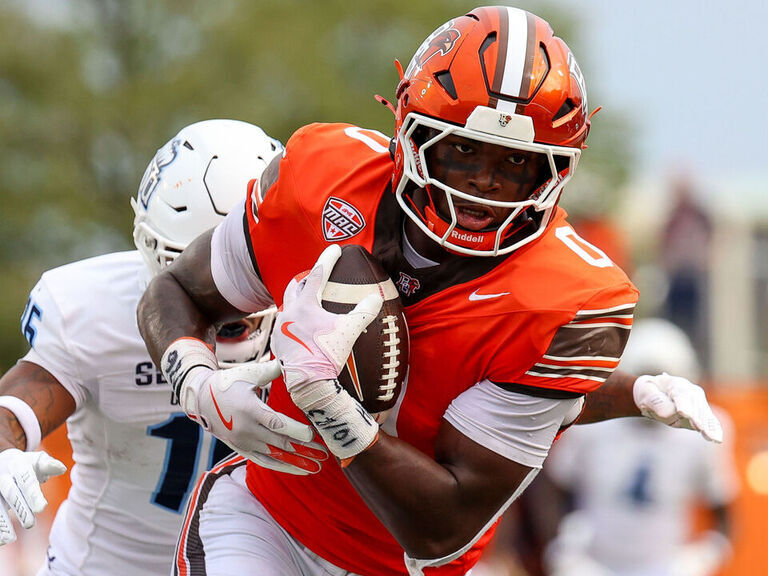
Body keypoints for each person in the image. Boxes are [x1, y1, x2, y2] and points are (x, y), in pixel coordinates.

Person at [137, 7, 723, 576]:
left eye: (516, 161)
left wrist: (326, 399)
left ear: (557, 169)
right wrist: (196, 381)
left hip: (408, 565)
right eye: (463, 148)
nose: (484, 182)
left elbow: (440, 528)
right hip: (266, 519)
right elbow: (177, 290)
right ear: (410, 129)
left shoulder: (573, 300)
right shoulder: (322, 176)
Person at [0, 119, 327, 576]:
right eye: (200, 276)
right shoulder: (95, 312)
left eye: (243, 270)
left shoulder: (325, 314)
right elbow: (14, 410)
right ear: (152, 255)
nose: (229, 301)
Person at [543, 318, 739, 576]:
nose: (656, 402)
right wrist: (563, 549)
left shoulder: (702, 429)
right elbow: (552, 487)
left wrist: (705, 556)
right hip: (597, 561)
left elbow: (723, 508)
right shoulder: (590, 423)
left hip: (665, 564)